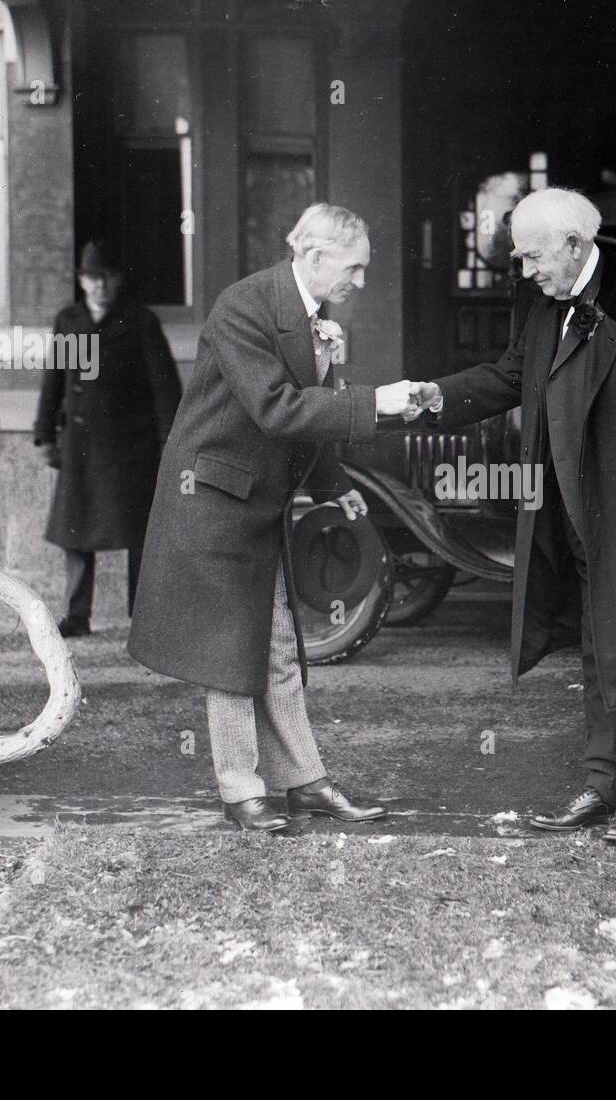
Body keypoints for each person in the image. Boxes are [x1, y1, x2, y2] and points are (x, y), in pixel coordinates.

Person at [407, 187, 616, 844]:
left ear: (575, 246)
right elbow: (505, 379)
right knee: (597, 649)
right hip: (570, 513)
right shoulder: (546, 306)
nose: (525, 271)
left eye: (533, 258)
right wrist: (432, 397)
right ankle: (601, 782)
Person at [127, 203, 417, 833]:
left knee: (280, 645)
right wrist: (377, 401)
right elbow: (276, 409)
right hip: (212, 500)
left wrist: (337, 487)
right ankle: (240, 793)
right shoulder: (244, 306)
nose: (360, 283)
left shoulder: (312, 317)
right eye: (355, 268)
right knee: (231, 651)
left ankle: (304, 782)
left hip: (255, 503)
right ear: (314, 257)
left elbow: (302, 427)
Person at [34, 240, 182, 638]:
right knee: (75, 531)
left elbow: (164, 386)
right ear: (82, 281)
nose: (100, 286)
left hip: (133, 446)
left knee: (140, 532)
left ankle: (144, 616)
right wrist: (44, 434)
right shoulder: (71, 321)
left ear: (117, 281)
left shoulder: (139, 322)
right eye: (92, 278)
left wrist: (171, 442)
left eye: (107, 278)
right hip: (81, 444)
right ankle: (76, 615)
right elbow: (57, 382)